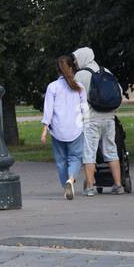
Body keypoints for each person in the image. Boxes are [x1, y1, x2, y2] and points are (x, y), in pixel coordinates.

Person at [72, 46, 123, 195]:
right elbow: (118, 91)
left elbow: (74, 96)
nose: (75, 63)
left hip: (91, 119)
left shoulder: (81, 75)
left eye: (76, 59)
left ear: (82, 58)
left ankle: (89, 186)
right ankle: (118, 185)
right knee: (112, 150)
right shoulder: (106, 71)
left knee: (89, 153)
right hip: (109, 118)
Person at [41, 55, 86, 200]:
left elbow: (48, 110)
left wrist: (44, 130)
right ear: (71, 68)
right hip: (76, 128)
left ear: (58, 70)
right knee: (75, 157)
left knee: (61, 161)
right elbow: (84, 108)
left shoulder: (52, 87)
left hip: (58, 130)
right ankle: (71, 179)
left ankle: (65, 186)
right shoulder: (79, 86)